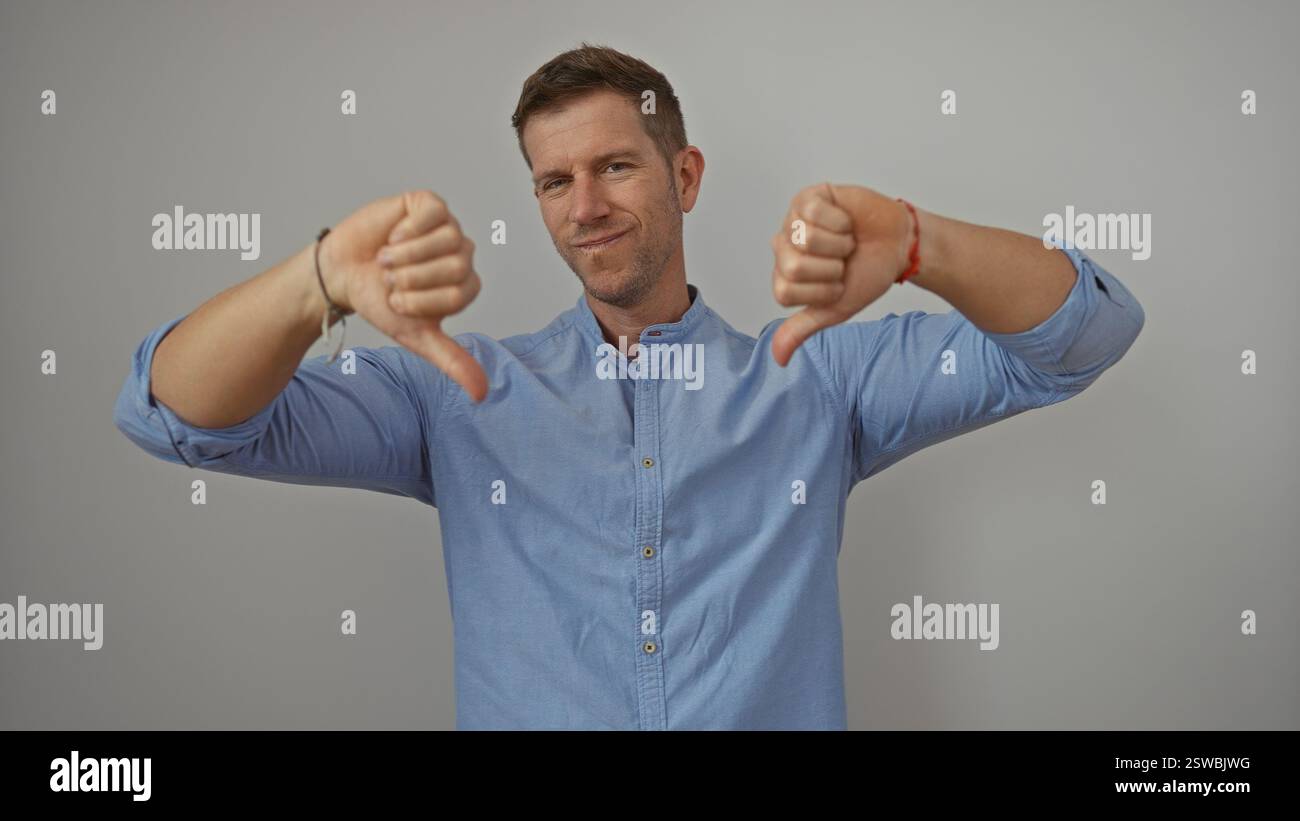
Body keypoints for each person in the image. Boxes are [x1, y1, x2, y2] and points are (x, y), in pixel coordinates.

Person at [113, 43, 1145, 729]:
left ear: (683, 176)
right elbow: (177, 416)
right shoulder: (458, 390)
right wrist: (316, 282)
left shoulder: (815, 381)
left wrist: (920, 242)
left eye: (615, 167)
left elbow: (1082, 334)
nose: (586, 206)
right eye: (555, 181)